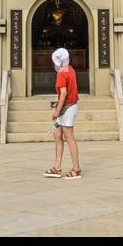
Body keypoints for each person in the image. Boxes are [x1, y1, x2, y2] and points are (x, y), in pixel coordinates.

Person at [43, 47, 81, 179]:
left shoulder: (61, 74)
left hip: (67, 107)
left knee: (69, 137)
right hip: (70, 105)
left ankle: (76, 169)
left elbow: (64, 93)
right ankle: (57, 167)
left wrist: (57, 111)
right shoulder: (70, 69)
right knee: (57, 135)